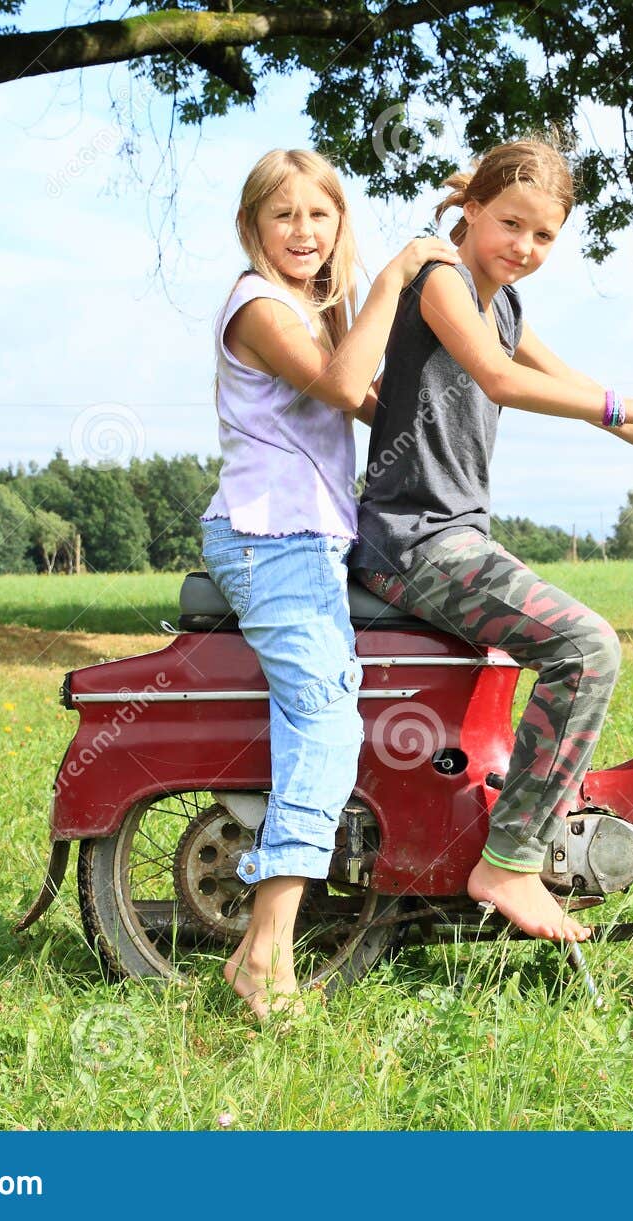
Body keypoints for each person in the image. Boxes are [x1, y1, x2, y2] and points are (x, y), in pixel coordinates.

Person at [350, 139, 633, 944]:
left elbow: (578, 384)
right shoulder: (442, 280)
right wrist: (631, 405)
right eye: (511, 224)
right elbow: (502, 379)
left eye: (545, 236)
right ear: (473, 207)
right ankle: (510, 859)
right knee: (586, 648)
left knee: (577, 643)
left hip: (453, 535)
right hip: (412, 540)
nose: (524, 246)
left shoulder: (506, 302)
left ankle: (531, 838)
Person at [199, 148, 458, 1020]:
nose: (303, 232)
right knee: (323, 716)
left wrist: (445, 232)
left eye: (321, 215)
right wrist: (397, 270)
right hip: (269, 538)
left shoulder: (315, 308)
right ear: (252, 228)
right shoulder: (260, 308)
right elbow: (351, 385)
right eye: (284, 216)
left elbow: (376, 376)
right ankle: (263, 953)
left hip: (311, 538)